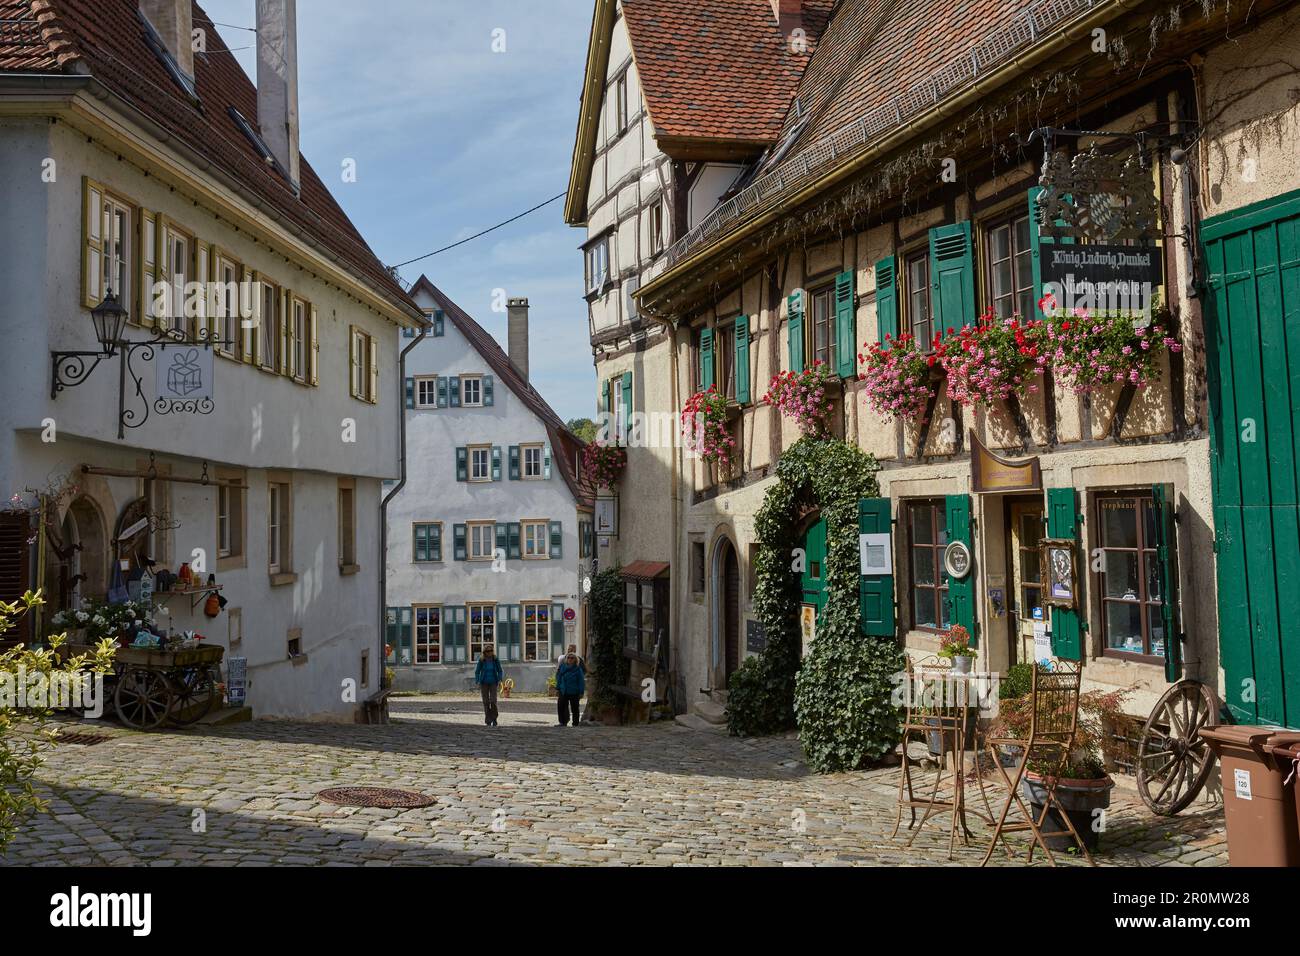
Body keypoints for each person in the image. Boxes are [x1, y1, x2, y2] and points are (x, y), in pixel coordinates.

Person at [475, 645, 504, 726]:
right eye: (488, 651)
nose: (490, 652)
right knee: (486, 702)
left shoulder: (495, 659)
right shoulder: (482, 660)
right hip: (484, 683)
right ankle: (488, 720)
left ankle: (494, 718)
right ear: (484, 652)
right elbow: (477, 671)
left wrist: (499, 678)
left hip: (493, 682)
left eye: (491, 650)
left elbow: (500, 670)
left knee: (493, 701)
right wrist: (477, 680)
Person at [555, 651, 585, 727]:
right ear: (566, 659)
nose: (570, 659)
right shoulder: (562, 667)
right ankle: (562, 722)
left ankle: (575, 723)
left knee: (575, 708)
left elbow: (581, 681)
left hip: (574, 691)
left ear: (575, 660)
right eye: (568, 657)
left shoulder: (578, 669)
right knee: (561, 707)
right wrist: (557, 688)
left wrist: (581, 692)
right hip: (563, 690)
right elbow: (559, 678)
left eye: (572, 658)